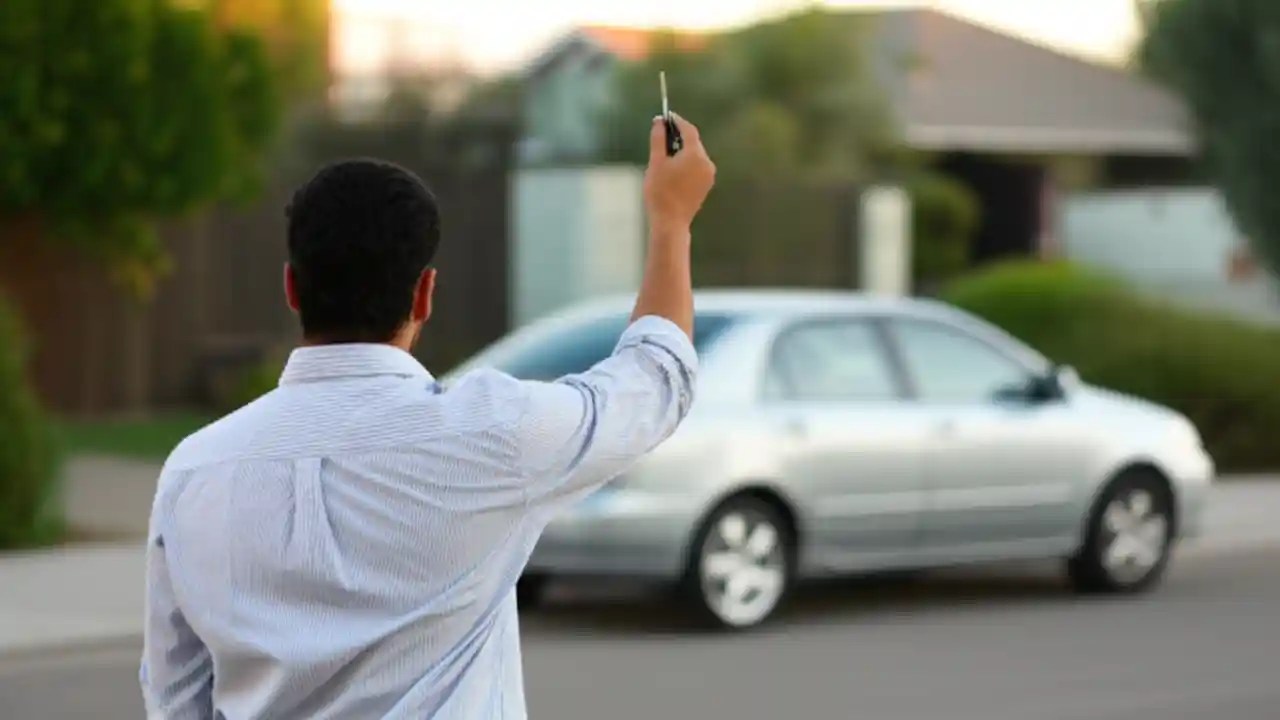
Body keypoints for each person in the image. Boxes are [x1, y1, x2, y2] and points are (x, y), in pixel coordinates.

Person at [139, 114, 716, 719]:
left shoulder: (194, 470)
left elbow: (176, 698)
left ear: (292, 288)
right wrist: (671, 221)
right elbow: (657, 379)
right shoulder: (494, 435)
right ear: (425, 294)